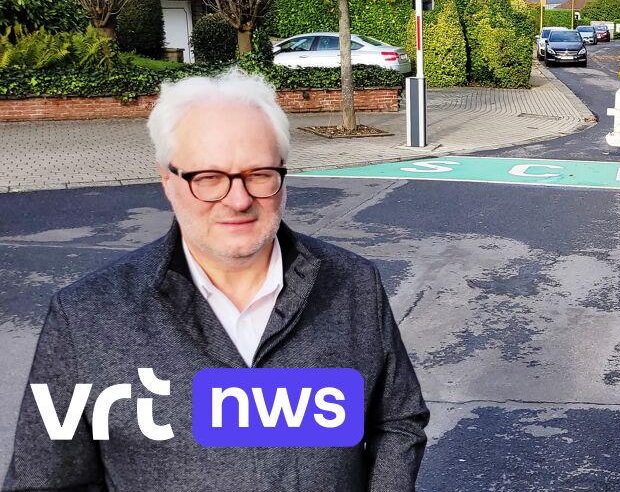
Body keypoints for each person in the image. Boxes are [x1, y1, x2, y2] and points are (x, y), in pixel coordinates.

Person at [3, 71, 429, 491]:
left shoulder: (353, 285)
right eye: (208, 177)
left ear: (283, 175)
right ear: (167, 180)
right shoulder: (85, 319)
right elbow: (47, 480)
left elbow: (397, 419)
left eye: (258, 173)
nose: (239, 200)